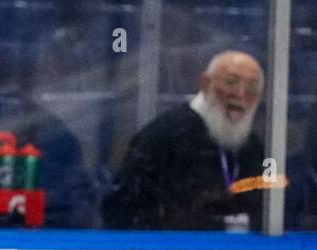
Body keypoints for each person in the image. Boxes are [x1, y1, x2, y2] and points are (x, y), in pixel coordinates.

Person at [103, 50, 266, 231]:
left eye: (252, 87)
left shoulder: (252, 146)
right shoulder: (163, 136)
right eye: (231, 82)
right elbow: (121, 209)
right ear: (205, 83)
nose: (240, 93)